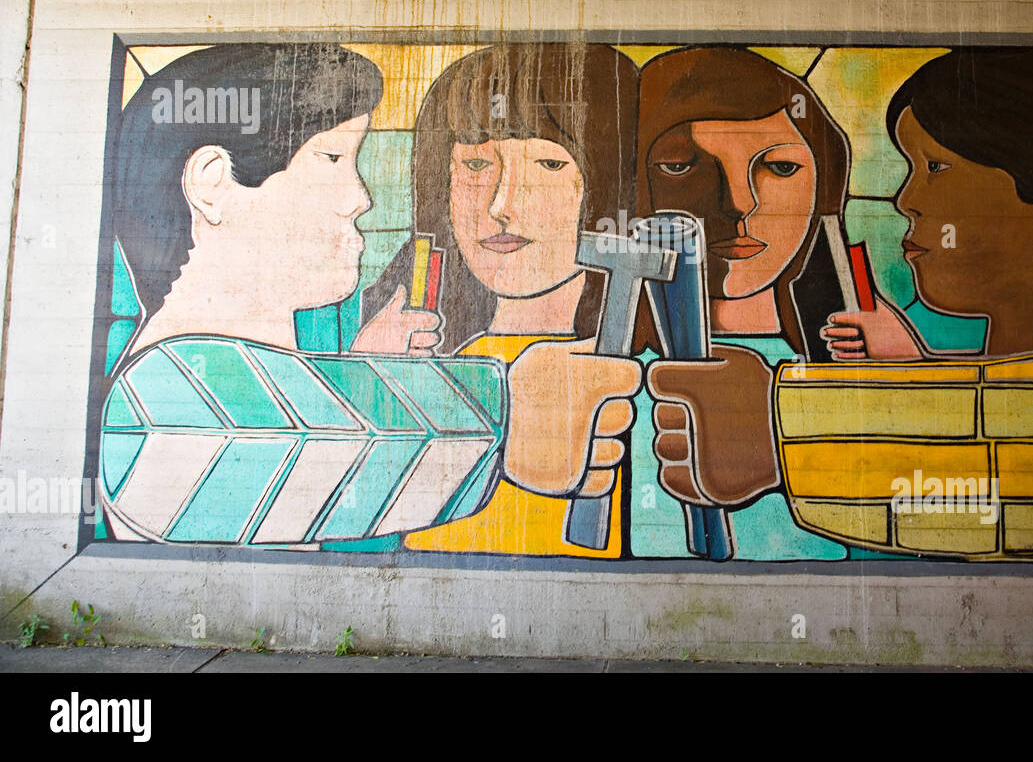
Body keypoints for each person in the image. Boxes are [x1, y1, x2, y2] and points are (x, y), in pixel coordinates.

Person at [647, 47, 1033, 561]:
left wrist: (775, 429)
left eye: (936, 167)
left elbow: (983, 479)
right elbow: (994, 435)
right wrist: (917, 372)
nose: (906, 197)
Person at [97, 43, 638, 546]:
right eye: (332, 159)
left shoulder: (247, 383)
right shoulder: (158, 403)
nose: (360, 197)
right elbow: (209, 436)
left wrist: (370, 376)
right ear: (214, 183)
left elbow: (302, 437)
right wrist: (506, 419)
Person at [630, 46, 905, 560]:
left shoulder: (862, 356)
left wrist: (908, 380)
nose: (737, 202)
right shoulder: (607, 376)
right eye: (681, 166)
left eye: (779, 167)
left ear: (826, 187)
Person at [375, 43, 641, 557]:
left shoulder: (648, 375)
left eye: (547, 163)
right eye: (475, 165)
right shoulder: (406, 352)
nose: (501, 205)